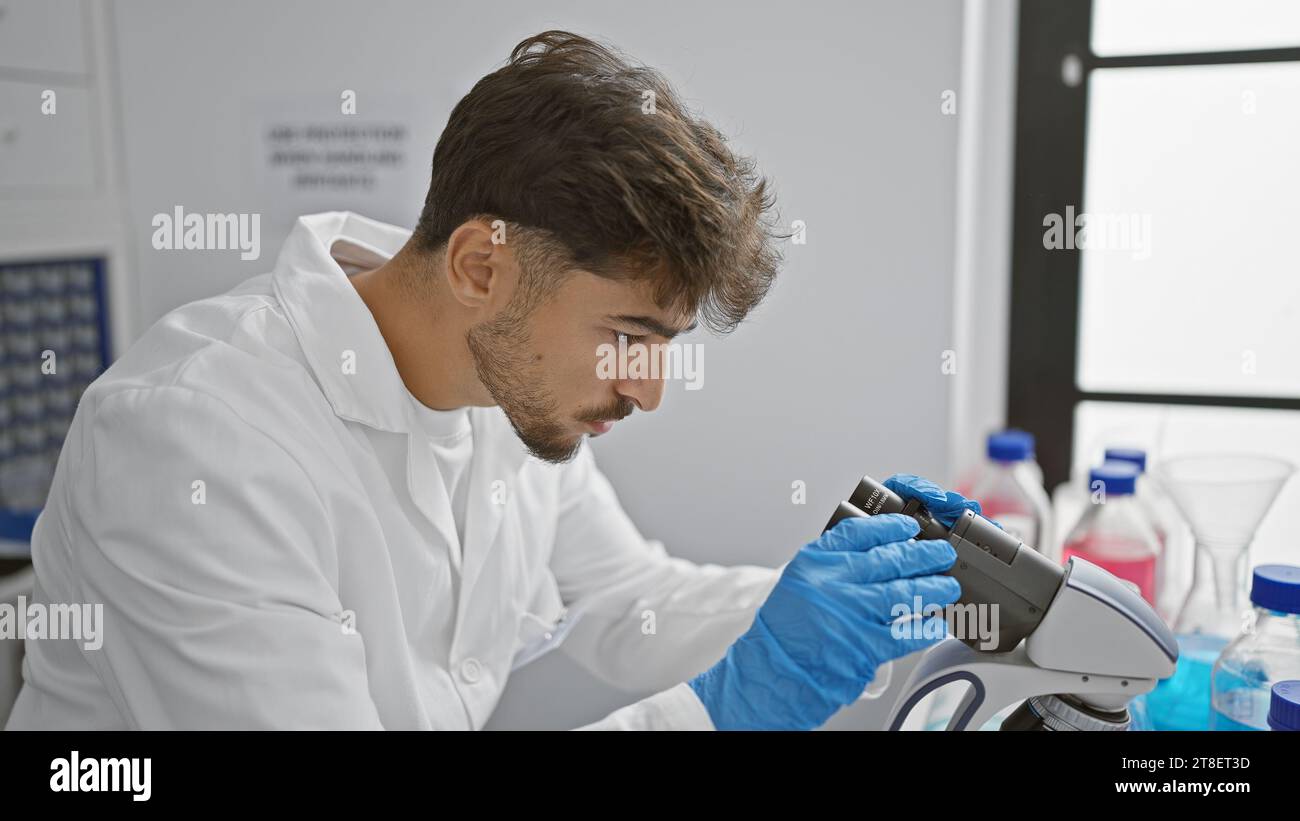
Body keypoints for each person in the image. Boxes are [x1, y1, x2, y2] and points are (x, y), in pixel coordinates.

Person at [6, 31, 976, 731]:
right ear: (481, 265)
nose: (648, 391)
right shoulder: (198, 438)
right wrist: (730, 705)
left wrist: (832, 604)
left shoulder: (501, 386)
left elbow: (617, 599)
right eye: (630, 334)